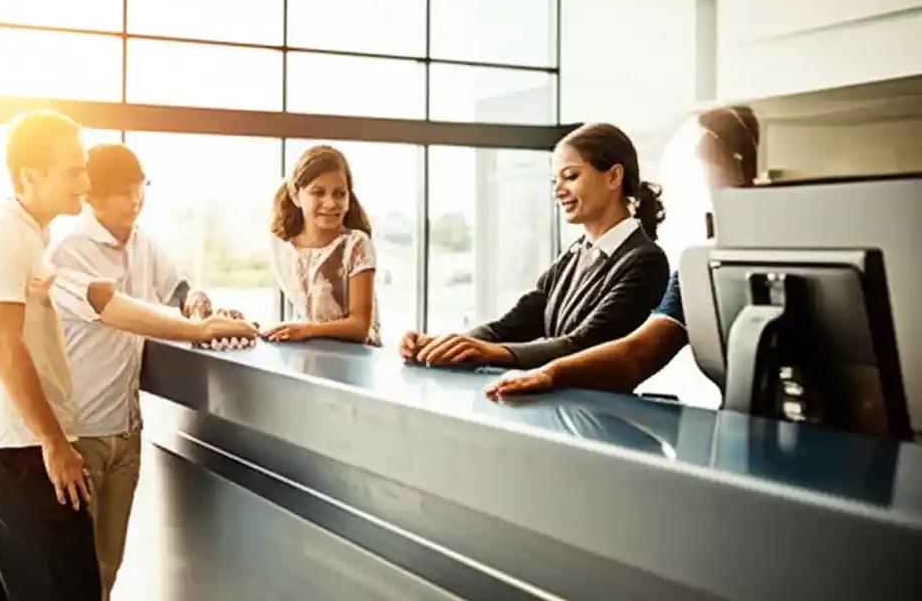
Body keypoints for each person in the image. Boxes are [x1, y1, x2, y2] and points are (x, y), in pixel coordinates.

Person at [43, 144, 255, 598]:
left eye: (140, 187)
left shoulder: (143, 242)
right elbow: (115, 310)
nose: (135, 198)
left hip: (127, 432)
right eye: (122, 191)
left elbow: (176, 288)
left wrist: (195, 303)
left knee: (106, 565)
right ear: (91, 196)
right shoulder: (68, 250)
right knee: (71, 570)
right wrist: (196, 331)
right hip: (80, 434)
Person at [486, 106, 760, 398]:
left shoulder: (647, 260)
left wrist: (524, 363)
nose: (708, 189)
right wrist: (463, 345)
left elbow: (591, 344)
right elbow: (636, 354)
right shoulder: (697, 271)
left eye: (571, 176)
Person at [0, 109, 101, 600]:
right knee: (68, 588)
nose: (86, 180)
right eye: (74, 170)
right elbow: (2, 341)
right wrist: (54, 442)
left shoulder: (33, 231)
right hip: (19, 447)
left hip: (5, 440)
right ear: (29, 176)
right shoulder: (3, 233)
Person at [401, 123, 669, 368]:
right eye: (556, 181)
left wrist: (489, 353)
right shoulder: (573, 256)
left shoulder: (645, 261)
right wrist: (444, 345)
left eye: (571, 176)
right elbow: (514, 325)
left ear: (613, 177)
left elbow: (585, 345)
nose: (558, 191)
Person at [264, 144, 381, 346]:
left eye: (339, 194)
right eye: (318, 193)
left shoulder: (357, 244)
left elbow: (360, 326)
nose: (330, 203)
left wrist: (307, 329)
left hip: (357, 356)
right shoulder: (282, 244)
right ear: (295, 195)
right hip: (313, 349)